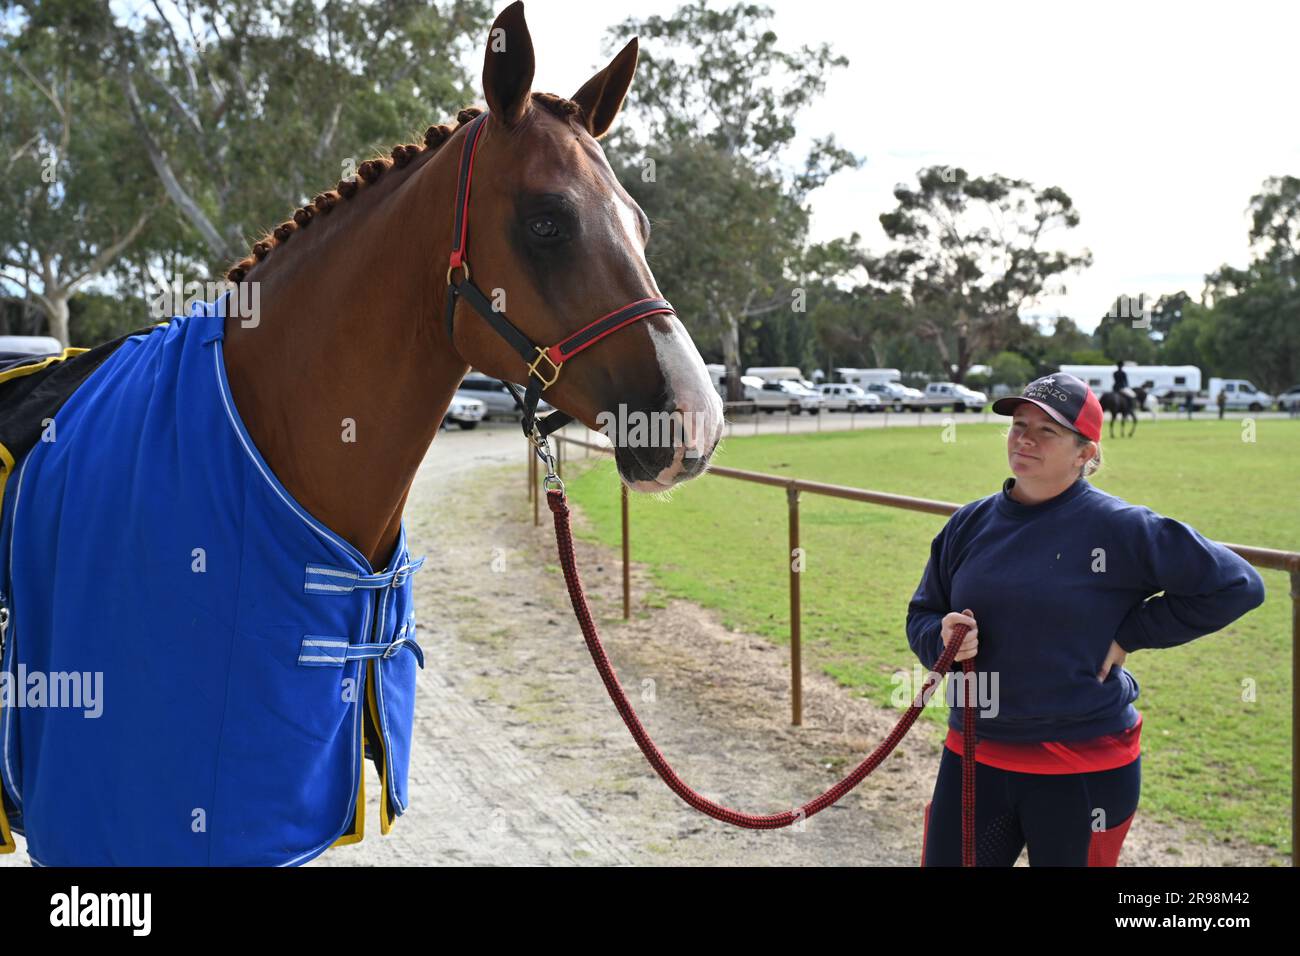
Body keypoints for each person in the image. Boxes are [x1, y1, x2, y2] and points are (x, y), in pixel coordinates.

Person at [907, 372, 1266, 866]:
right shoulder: (969, 523)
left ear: (1085, 453)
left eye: (1047, 430)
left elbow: (1237, 585)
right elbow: (922, 613)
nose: (1024, 438)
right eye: (1018, 424)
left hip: (1082, 764)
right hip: (974, 754)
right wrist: (939, 637)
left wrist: (1131, 634)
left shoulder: (1121, 526)